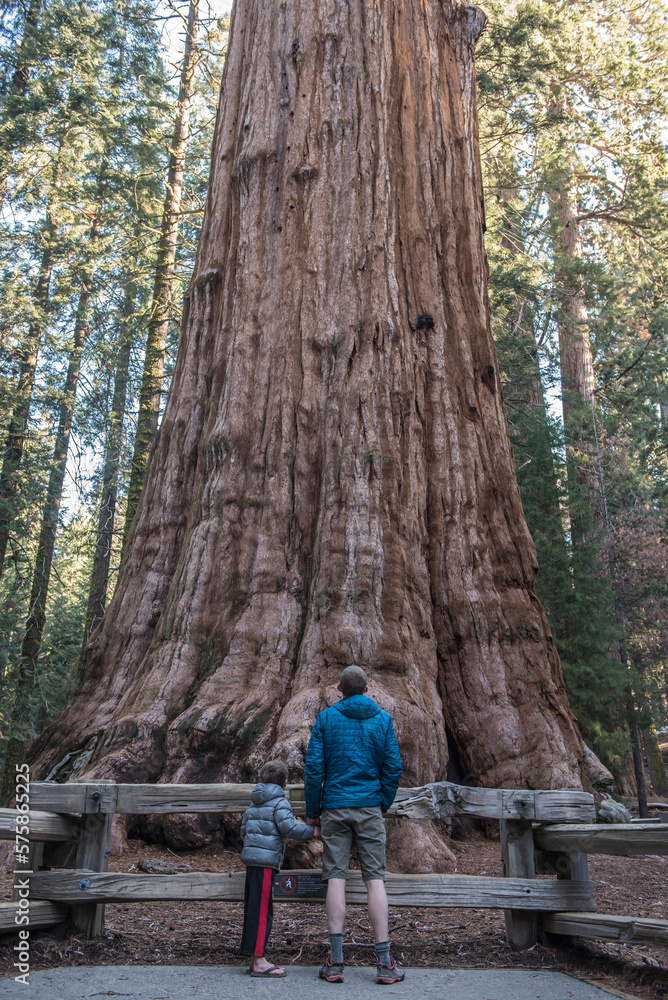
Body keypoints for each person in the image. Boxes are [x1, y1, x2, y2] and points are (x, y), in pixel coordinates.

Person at [304, 664, 404, 985]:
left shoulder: (326, 719)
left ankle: (335, 962)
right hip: (369, 807)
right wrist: (380, 803)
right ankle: (385, 963)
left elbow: (313, 769)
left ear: (338, 688)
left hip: (334, 807)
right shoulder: (383, 720)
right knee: (376, 880)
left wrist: (312, 811)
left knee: (336, 878)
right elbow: (393, 769)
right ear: (367, 688)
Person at [240, 759, 320, 977]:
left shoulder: (254, 801)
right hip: (266, 862)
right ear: (285, 783)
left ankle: (253, 958)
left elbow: (244, 829)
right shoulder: (279, 801)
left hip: (252, 860)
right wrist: (312, 832)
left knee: (253, 908)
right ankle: (259, 961)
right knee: (262, 911)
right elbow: (288, 827)